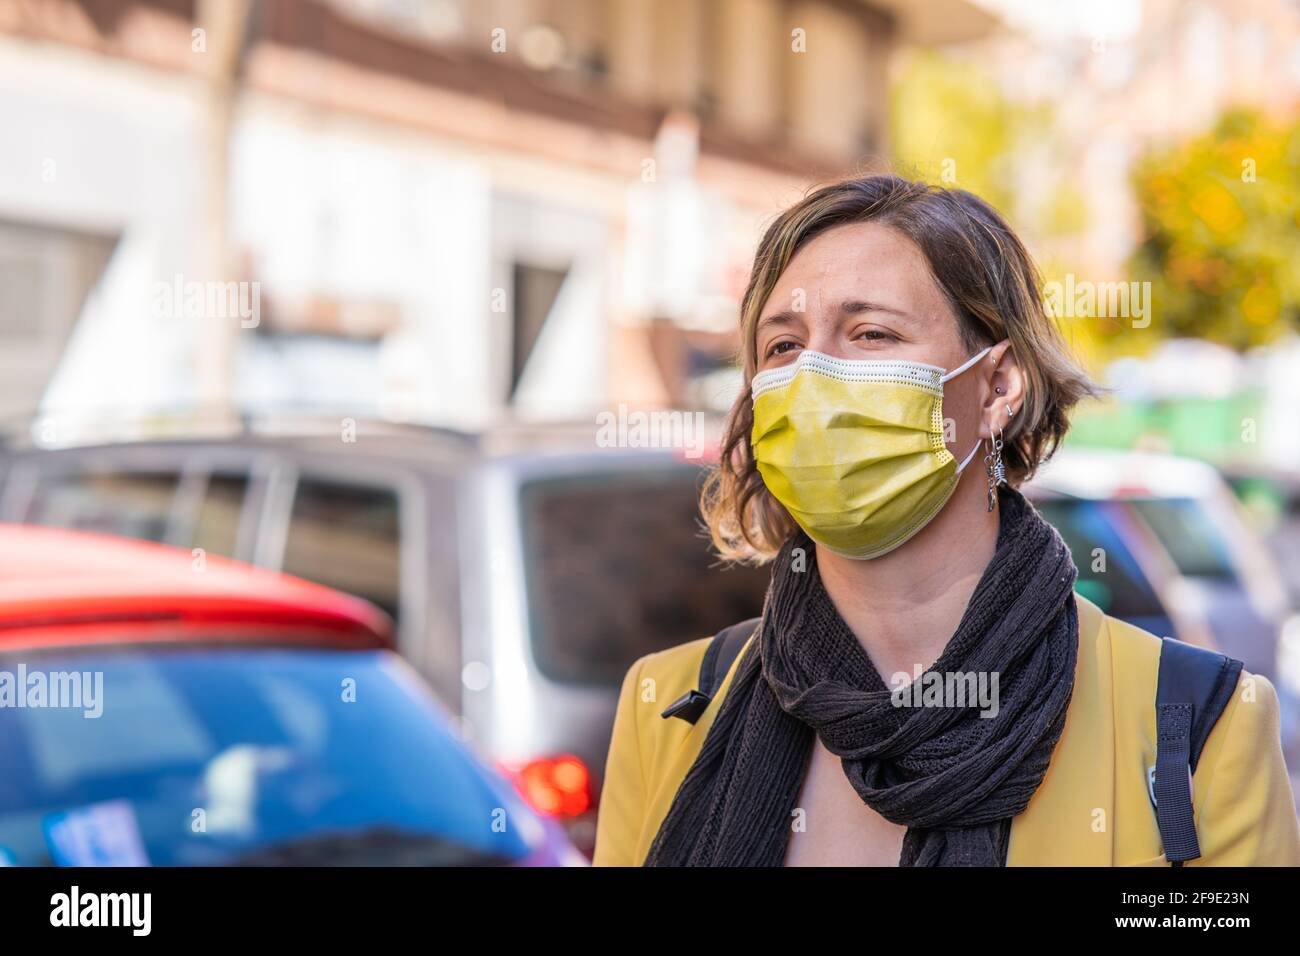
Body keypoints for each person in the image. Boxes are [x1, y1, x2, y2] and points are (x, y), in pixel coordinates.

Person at [592, 173, 1300, 867]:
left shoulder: (1197, 720)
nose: (812, 378)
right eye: (783, 345)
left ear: (996, 386)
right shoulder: (669, 710)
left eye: (870, 334)